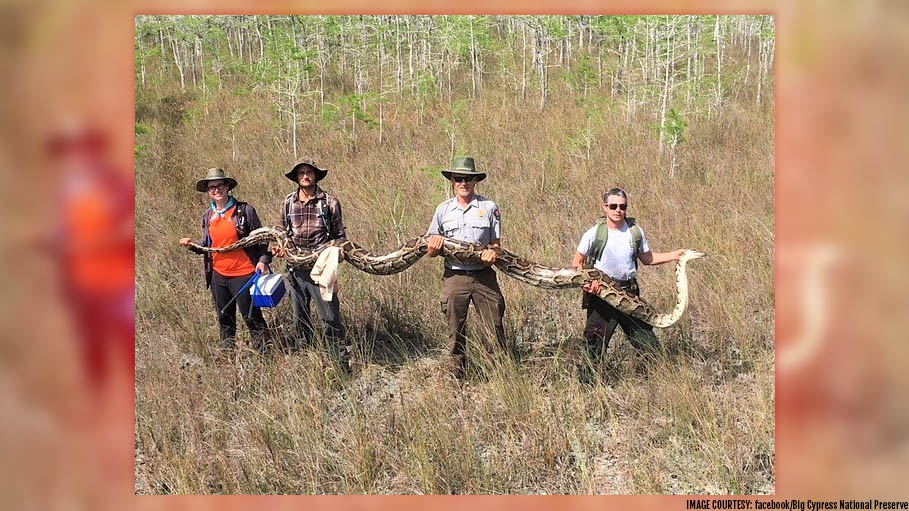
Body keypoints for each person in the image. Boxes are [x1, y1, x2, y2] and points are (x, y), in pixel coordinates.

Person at [571, 187, 687, 374]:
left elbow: (647, 258)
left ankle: (661, 379)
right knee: (594, 345)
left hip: (629, 294)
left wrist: (675, 255)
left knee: (648, 343)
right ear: (605, 208)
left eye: (622, 206)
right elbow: (577, 262)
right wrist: (588, 284)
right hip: (601, 295)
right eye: (613, 206)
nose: (618, 210)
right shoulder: (594, 233)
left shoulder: (635, 232)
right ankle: (588, 389)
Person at [426, 156, 507, 380]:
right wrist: (433, 247)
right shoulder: (443, 210)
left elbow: (498, 247)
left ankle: (500, 375)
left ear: (475, 181)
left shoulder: (489, 208)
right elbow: (430, 250)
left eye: (468, 178)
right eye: (459, 178)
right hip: (455, 276)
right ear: (452, 181)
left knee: (495, 326)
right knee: (455, 330)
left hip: (484, 277)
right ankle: (456, 377)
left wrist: (493, 254)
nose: (464, 183)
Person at [179, 168, 271, 353]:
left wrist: (263, 260)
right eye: (211, 187)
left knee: (251, 316)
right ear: (208, 191)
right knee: (224, 317)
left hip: (244, 274)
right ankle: (227, 356)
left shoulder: (244, 211)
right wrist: (192, 245)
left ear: (227, 186)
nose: (216, 190)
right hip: (218, 275)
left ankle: (266, 355)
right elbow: (209, 244)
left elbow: (262, 238)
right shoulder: (208, 216)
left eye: (220, 185)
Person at [271, 158, 350, 374]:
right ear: (296, 177)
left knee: (330, 318)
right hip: (295, 270)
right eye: (301, 173)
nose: (305, 176)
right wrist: (279, 250)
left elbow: (340, 237)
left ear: (315, 175)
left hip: (322, 270)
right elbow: (283, 234)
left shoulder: (329, 202)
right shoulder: (288, 203)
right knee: (300, 318)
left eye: (309, 172)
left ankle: (341, 365)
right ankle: (306, 364)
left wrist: (335, 262)